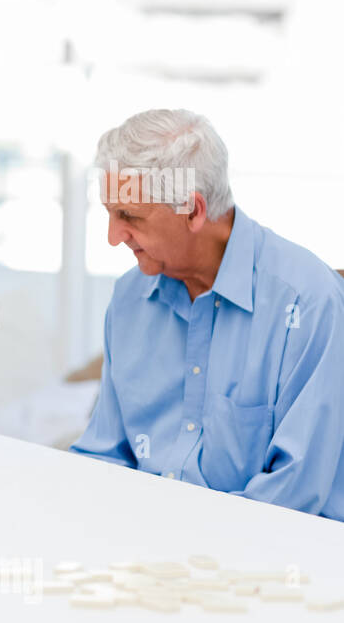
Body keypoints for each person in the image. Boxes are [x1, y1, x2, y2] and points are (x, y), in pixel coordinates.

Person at [70, 108, 344, 520]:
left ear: (193, 211)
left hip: (270, 562)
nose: (113, 238)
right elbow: (105, 454)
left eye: (129, 217)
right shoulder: (129, 297)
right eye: (109, 213)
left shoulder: (309, 301)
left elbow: (293, 494)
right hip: (144, 556)